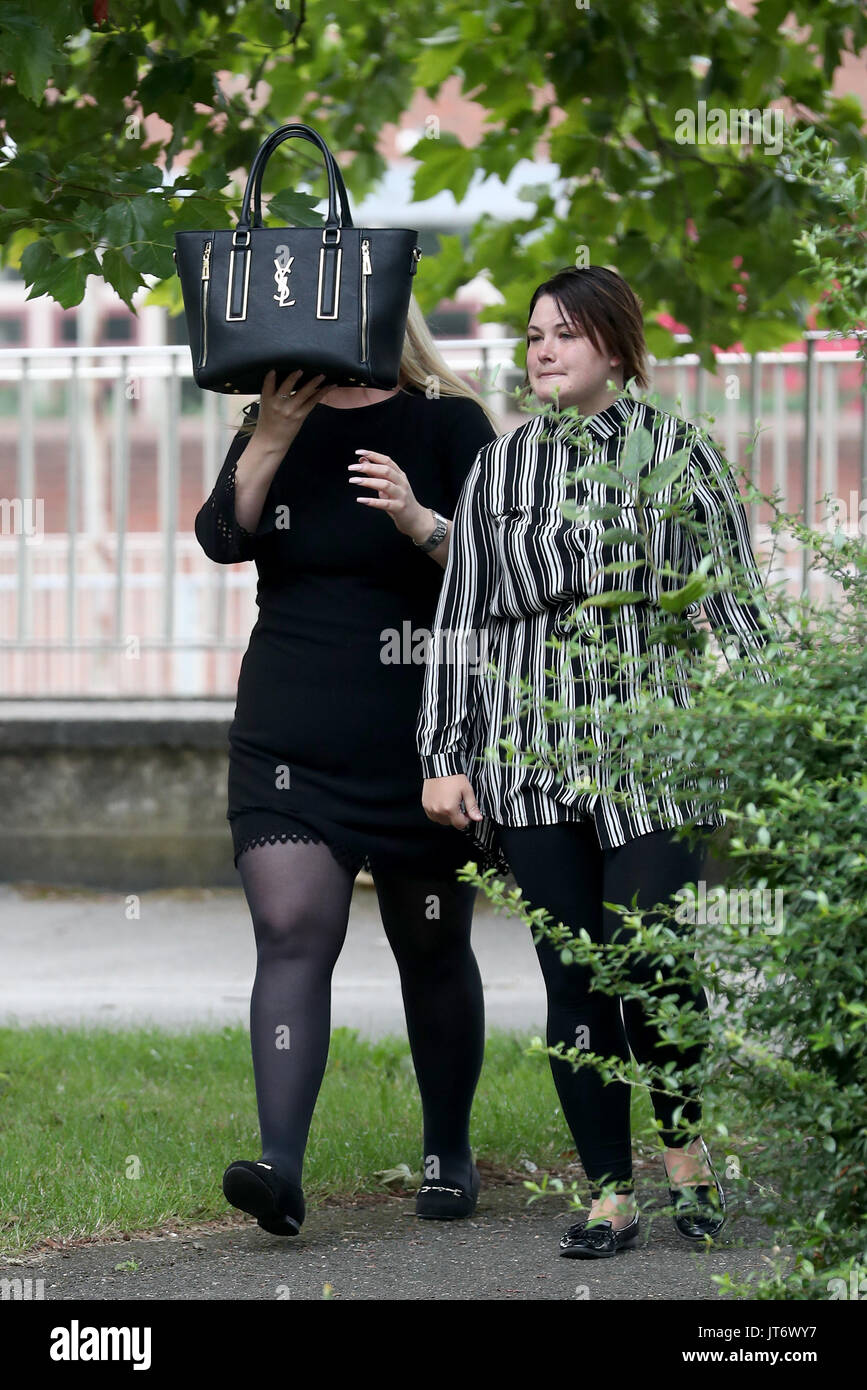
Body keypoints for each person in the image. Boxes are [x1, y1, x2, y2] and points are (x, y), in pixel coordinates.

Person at [418, 265, 776, 1258]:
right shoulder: (499, 469)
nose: (542, 350)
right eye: (534, 333)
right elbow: (461, 623)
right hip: (529, 763)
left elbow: (736, 606)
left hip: (655, 755)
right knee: (574, 978)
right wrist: (446, 754)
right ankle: (610, 1191)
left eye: (565, 334)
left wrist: (781, 724)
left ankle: (686, 1150)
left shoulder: (680, 454)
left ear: (614, 348)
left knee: (652, 964)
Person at [193, 296, 501, 1235]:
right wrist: (273, 432)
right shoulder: (270, 421)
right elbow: (221, 538)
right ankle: (278, 1166)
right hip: (290, 737)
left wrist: (415, 518)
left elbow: (496, 567)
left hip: (421, 738)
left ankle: (447, 1152)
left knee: (431, 943)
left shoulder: (448, 423)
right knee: (291, 932)